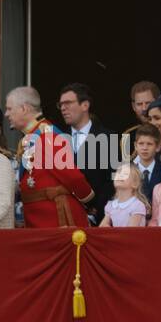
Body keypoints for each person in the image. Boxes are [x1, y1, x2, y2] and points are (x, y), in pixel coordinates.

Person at [6, 86, 95, 228]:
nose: (6, 114)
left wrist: (89, 200)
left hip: (56, 220)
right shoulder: (33, 135)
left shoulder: (46, 135)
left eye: (10, 109)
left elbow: (73, 177)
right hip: (41, 219)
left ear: (24, 108)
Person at [59, 82, 115, 225]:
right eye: (61, 105)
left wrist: (95, 209)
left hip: (100, 221)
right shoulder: (57, 141)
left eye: (68, 103)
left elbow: (116, 180)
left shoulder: (111, 138)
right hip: (65, 220)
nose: (63, 108)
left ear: (85, 105)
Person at [100, 163, 149, 228]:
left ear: (135, 184)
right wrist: (106, 227)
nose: (120, 175)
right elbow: (102, 227)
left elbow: (130, 232)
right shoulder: (111, 205)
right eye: (118, 173)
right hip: (117, 237)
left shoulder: (137, 205)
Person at [120, 81, 159, 160]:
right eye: (139, 104)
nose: (144, 108)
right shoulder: (127, 137)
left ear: (158, 102)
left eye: (148, 103)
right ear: (133, 107)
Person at [132, 123, 161, 207]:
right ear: (135, 146)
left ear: (158, 147)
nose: (145, 148)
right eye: (141, 143)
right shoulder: (126, 170)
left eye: (149, 144)